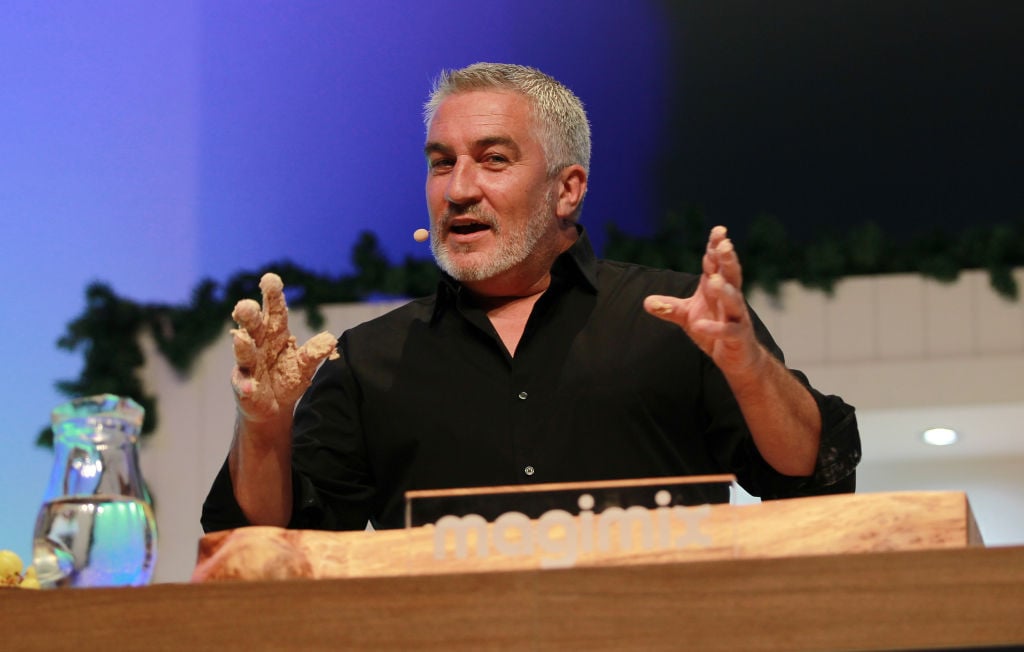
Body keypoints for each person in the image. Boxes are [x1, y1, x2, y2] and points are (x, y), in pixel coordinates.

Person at [201, 62, 860, 533]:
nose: (458, 189)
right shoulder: (369, 361)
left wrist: (748, 369)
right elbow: (266, 541)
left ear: (567, 189)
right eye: (441, 162)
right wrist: (264, 428)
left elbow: (809, 475)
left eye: (493, 159)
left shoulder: (677, 317)